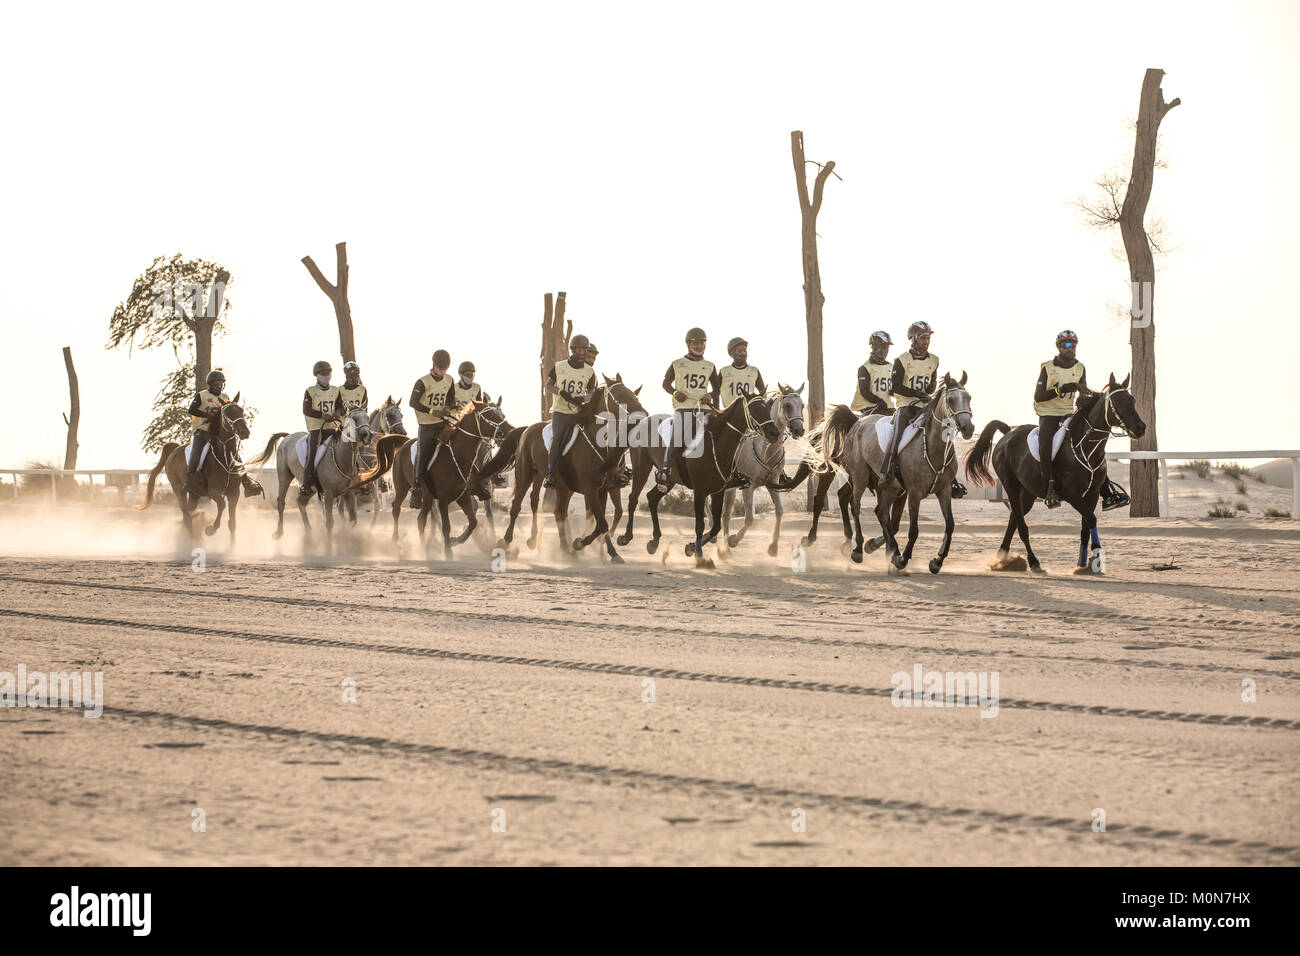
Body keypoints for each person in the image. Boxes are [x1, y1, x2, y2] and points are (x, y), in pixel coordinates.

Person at [656, 327, 718, 490]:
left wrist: (710, 395)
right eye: (696, 343)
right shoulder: (678, 363)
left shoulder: (710, 366)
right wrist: (676, 392)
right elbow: (665, 384)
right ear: (688, 344)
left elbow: (717, 389)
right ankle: (665, 471)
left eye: (702, 343)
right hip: (683, 409)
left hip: (704, 409)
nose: (699, 346)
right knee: (677, 438)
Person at [186, 369, 263, 498]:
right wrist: (207, 415)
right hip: (202, 430)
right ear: (211, 384)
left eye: (221, 384)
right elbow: (192, 410)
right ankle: (189, 478)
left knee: (235, 454)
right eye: (217, 383)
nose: (220, 386)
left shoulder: (225, 398)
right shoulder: (202, 395)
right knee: (197, 451)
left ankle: (246, 482)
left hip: (218, 433)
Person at [544, 335, 598, 488]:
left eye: (584, 350)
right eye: (579, 349)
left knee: (598, 432)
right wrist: (561, 392)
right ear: (573, 350)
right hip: (561, 412)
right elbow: (548, 386)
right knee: (557, 439)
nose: (581, 353)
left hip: (579, 413)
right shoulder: (559, 366)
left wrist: (584, 398)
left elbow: (592, 392)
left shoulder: (590, 371)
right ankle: (551, 474)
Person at [408, 350, 456, 509]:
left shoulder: (449, 380)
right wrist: (431, 411)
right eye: (440, 368)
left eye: (445, 369)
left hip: (442, 423)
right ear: (434, 365)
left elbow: (450, 400)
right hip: (426, 425)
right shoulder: (422, 382)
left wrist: (448, 409)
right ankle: (416, 490)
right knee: (422, 453)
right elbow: (413, 402)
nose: (442, 372)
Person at [300, 360, 342, 502]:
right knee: (312, 452)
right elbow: (306, 410)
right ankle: (306, 483)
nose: (326, 376)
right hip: (317, 429)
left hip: (333, 427)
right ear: (316, 375)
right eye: (323, 373)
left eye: (328, 373)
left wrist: (337, 413)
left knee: (350, 446)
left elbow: (340, 406)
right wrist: (321, 415)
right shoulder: (310, 391)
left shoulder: (336, 390)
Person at [850, 331, 894, 417]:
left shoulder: (891, 367)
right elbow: (864, 391)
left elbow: (892, 388)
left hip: (887, 407)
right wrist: (878, 401)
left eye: (887, 347)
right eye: (882, 347)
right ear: (874, 347)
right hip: (869, 407)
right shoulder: (865, 368)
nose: (885, 350)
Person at [716, 337, 766, 406]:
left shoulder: (754, 371)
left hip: (747, 413)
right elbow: (715, 391)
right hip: (729, 414)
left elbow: (763, 392)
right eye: (739, 351)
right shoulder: (724, 371)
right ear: (732, 353)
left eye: (745, 350)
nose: (743, 353)